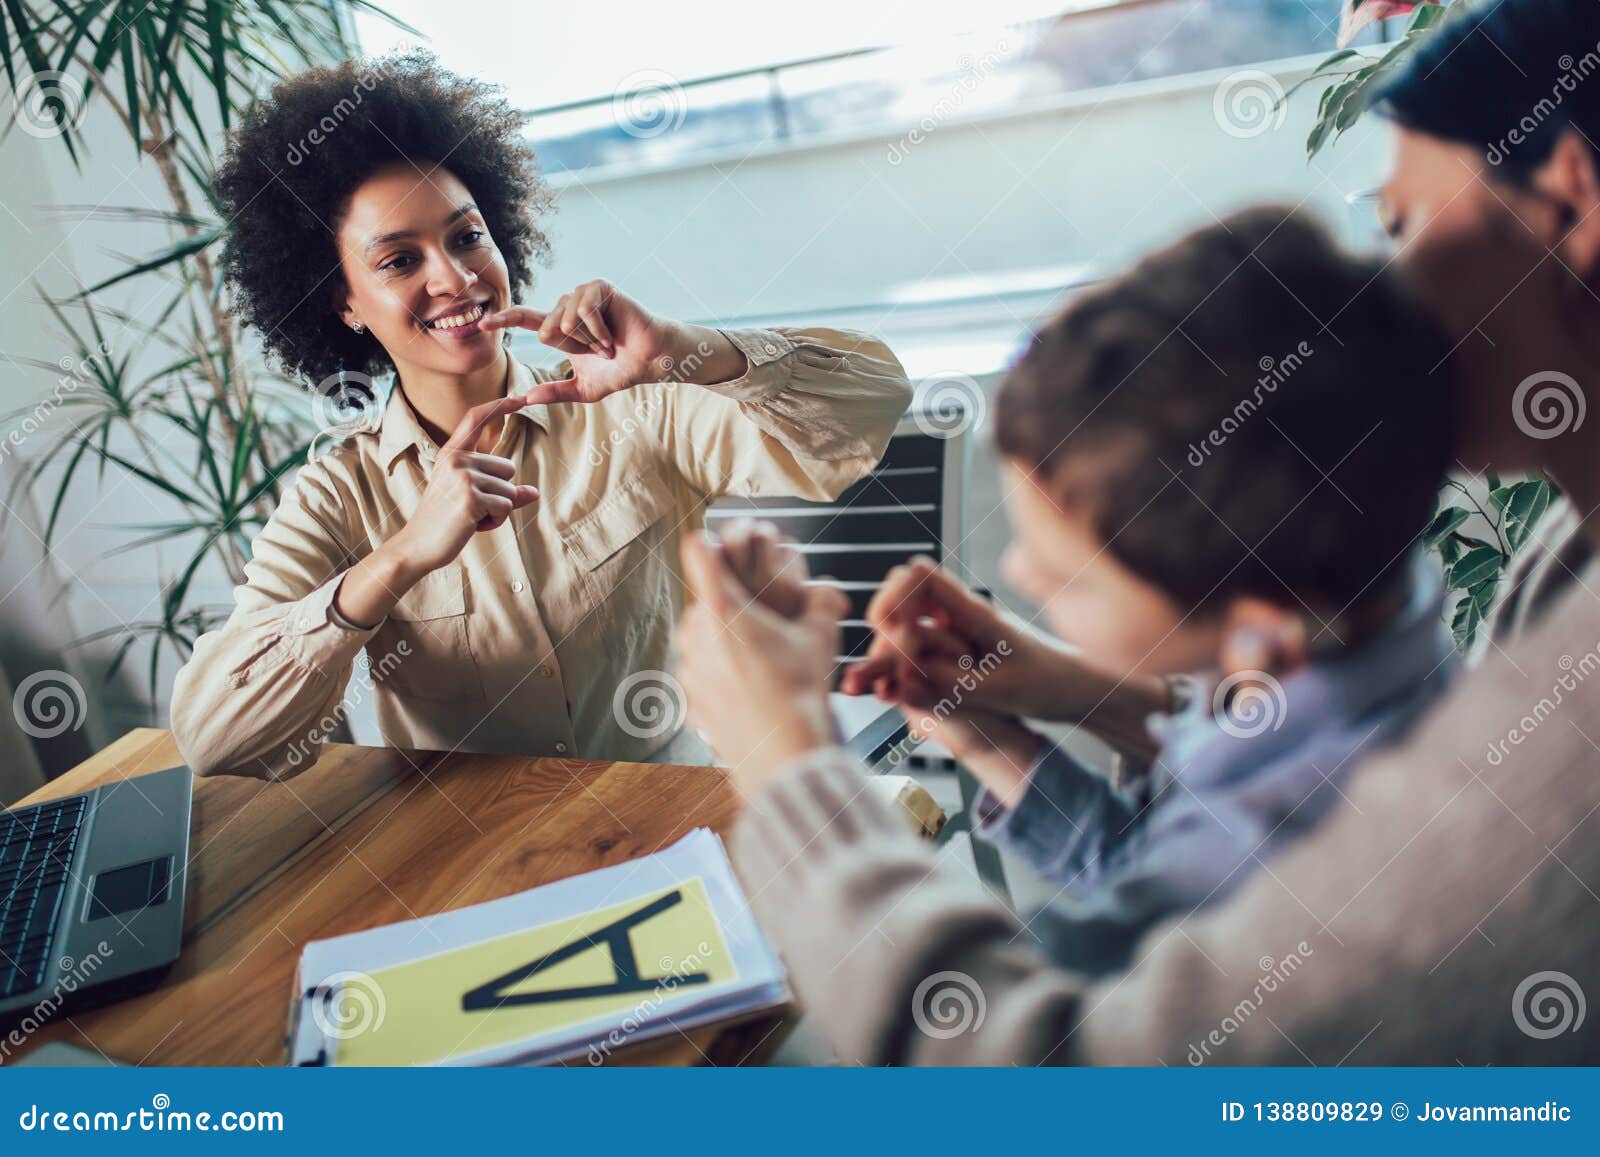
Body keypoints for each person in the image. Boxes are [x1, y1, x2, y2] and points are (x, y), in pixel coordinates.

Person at [673, 0, 1600, 1066]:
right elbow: (1273, 852)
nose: (1375, 300)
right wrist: (1053, 706)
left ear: (1570, 205)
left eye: (1400, 226)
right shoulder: (1546, 567)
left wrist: (786, 763)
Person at [168, 53, 911, 778]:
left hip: (668, 815)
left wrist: (689, 350)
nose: (456, 279)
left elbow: (872, 402)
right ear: (344, 303)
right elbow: (215, 738)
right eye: (399, 261)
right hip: (479, 862)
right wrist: (399, 558)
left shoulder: (632, 403)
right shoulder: (339, 495)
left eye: (466, 237)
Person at [832, 209, 1457, 976]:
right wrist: (993, 738)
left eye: (1069, 577)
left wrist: (793, 767)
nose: (1021, 576)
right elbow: (1142, 867)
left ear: (1256, 629)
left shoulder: (1285, 851)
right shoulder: (1362, 635)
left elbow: (1018, 1041)